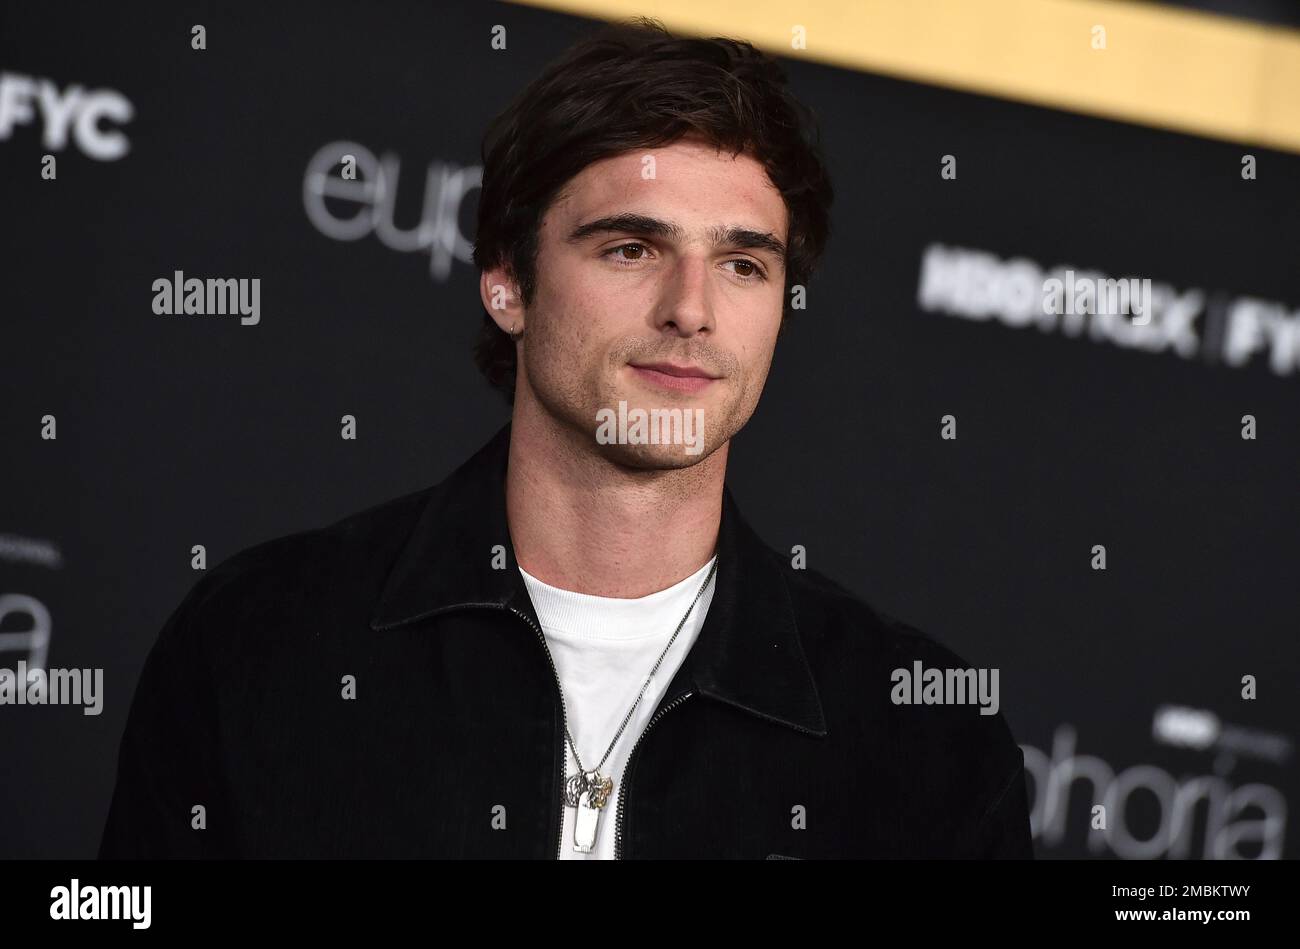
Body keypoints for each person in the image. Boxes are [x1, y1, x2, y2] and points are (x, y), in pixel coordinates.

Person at [99, 17, 1032, 859]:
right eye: (631, 249)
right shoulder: (258, 644)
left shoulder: (926, 744)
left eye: (742, 264)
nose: (691, 309)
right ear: (507, 282)